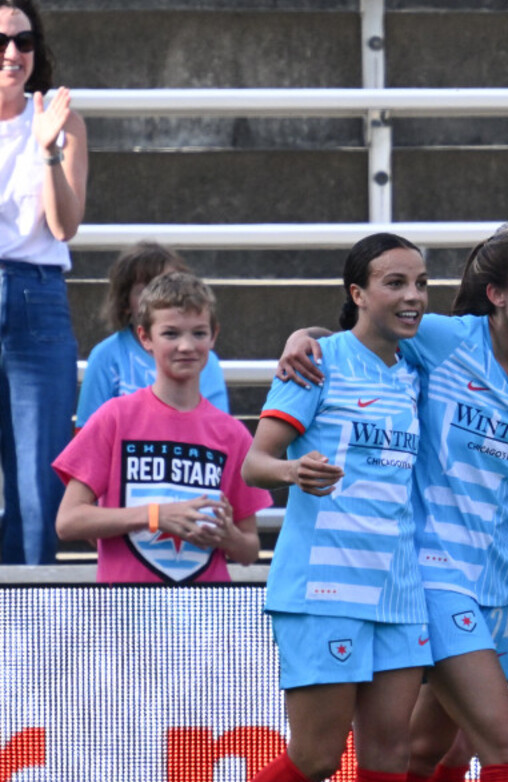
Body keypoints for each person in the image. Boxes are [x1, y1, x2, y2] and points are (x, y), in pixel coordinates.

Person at [275, 228, 508, 782]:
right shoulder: (445, 339)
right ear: (495, 295)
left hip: (499, 577)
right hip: (432, 575)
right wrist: (306, 337)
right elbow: (372, 323)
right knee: (502, 742)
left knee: (430, 750)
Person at [177, 233, 433, 782]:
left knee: (389, 762)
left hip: (400, 590)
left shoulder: (416, 370)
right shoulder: (319, 363)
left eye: (420, 283)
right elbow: (254, 461)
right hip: (324, 586)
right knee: (318, 756)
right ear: (358, 294)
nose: (412, 297)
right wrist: (293, 471)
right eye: (394, 283)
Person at [53, 271, 267, 582]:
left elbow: (249, 550)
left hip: (204, 617)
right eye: (170, 333)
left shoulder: (233, 434)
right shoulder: (114, 418)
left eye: (198, 333)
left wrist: (226, 535)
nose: (186, 346)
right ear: (145, 337)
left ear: (214, 335)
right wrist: (157, 516)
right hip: (127, 613)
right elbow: (68, 521)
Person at [0, 0, 86, 564]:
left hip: (35, 293)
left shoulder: (57, 116)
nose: (11, 54)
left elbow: (64, 225)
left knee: (38, 478)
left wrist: (49, 150)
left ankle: (26, 634)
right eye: (1, 41)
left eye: (23, 42)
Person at [76, 241, 230, 428]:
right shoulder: (106, 356)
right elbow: (87, 432)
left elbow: (220, 430)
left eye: (168, 286)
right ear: (124, 302)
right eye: (145, 290)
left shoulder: (201, 359)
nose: (158, 297)